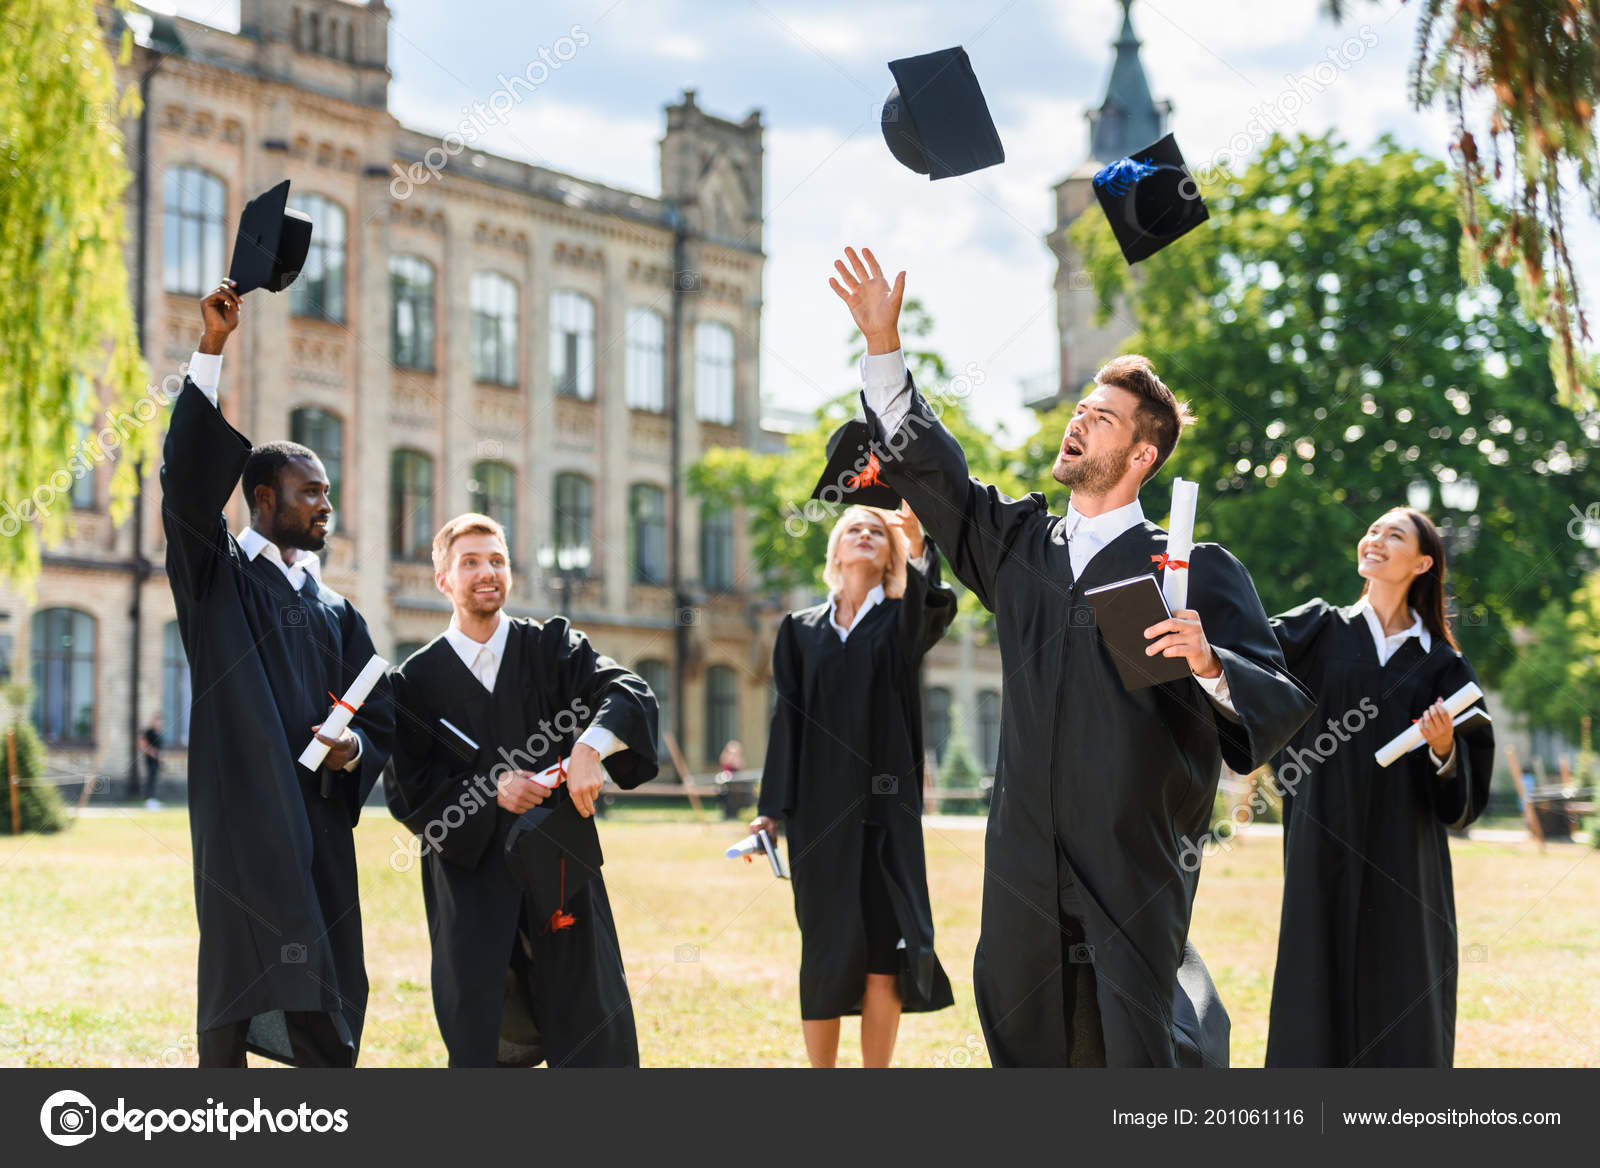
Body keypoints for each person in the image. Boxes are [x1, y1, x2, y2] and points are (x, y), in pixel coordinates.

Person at [830, 246, 1314, 1067]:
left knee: (1137, 1054)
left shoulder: (1194, 570)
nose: (1079, 420)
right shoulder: (1021, 546)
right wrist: (884, 347)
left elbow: (1276, 704)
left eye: (1104, 417)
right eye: (1081, 408)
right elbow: (938, 475)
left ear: (1140, 458)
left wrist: (1209, 662)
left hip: (1132, 860)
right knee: (1029, 1043)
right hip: (1023, 857)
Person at [162, 280, 394, 1068]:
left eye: (327, 493)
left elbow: (380, 711)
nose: (326, 506)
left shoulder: (334, 609)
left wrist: (353, 752)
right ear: (264, 498)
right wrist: (213, 349)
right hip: (244, 822)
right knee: (235, 981)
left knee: (326, 985)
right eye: (311, 493)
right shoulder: (215, 575)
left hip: (319, 825)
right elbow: (187, 488)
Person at [384, 514, 659, 1067]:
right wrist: (490, 790)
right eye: (469, 562)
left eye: (497, 560)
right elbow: (409, 793)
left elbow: (628, 690)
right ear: (443, 579)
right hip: (472, 883)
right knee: (483, 1037)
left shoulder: (551, 647)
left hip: (560, 871)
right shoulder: (416, 680)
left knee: (591, 1027)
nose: (487, 572)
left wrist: (590, 747)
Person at [1265, 507, 1493, 1067]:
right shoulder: (1319, 628)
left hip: (1404, 850)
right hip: (1325, 834)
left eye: (1395, 534)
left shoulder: (1440, 661)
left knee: (1403, 977)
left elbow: (1469, 772)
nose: (1376, 539)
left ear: (1422, 562)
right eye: (1372, 530)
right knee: (1315, 972)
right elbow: (1248, 665)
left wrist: (1443, 749)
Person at [751, 501, 957, 1068]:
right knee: (823, 950)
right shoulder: (799, 630)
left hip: (885, 817)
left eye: (876, 531)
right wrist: (772, 809)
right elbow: (785, 720)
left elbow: (932, 608)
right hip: (817, 817)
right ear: (836, 551)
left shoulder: (898, 622)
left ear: (888, 553)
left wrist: (917, 543)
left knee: (881, 956)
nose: (865, 534)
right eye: (853, 529)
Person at [139, 713, 164, 810]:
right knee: (150, 779)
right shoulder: (149, 732)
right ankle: (149, 800)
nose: (158, 723)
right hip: (150, 760)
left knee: (154, 780)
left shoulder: (158, 732)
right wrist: (151, 752)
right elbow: (142, 743)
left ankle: (152, 799)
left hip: (156, 760)